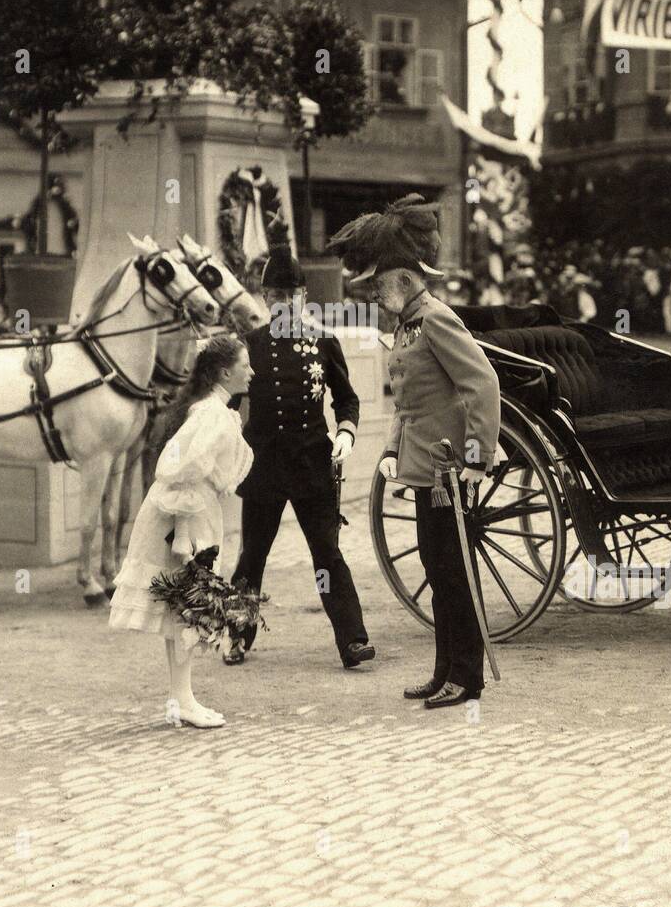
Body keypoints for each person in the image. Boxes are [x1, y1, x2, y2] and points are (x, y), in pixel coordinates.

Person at [329, 194, 501, 712]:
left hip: (450, 473)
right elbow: (408, 403)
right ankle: (444, 670)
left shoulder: (436, 320)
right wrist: (389, 450)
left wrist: (474, 459)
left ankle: (467, 677)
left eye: (380, 286)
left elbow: (482, 384)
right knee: (437, 568)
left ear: (404, 280)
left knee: (453, 573)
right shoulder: (408, 326)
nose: (376, 296)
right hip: (425, 472)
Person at [231, 217, 373, 671]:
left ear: (303, 298)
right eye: (275, 298)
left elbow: (346, 398)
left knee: (327, 556)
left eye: (291, 297)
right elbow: (228, 405)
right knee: (252, 556)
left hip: (312, 464)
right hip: (263, 468)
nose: (283, 304)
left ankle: (352, 641)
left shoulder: (324, 340)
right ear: (265, 300)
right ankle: (236, 635)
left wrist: (346, 434)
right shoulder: (248, 345)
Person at [109, 334, 254, 729]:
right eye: (245, 365)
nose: (251, 371)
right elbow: (180, 470)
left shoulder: (212, 410)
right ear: (225, 372)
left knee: (184, 610)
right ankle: (183, 700)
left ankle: (182, 697)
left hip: (188, 510)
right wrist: (188, 537)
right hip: (183, 515)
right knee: (189, 606)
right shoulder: (211, 414)